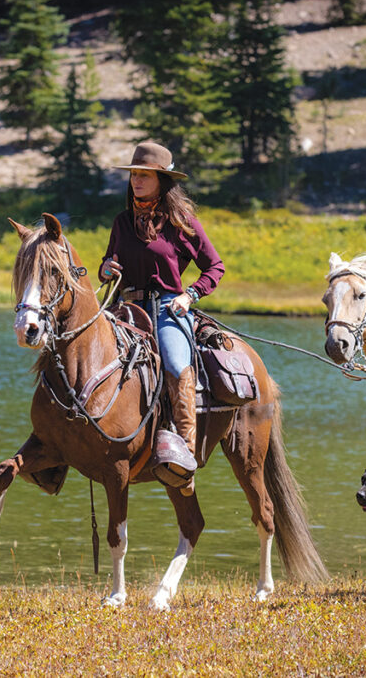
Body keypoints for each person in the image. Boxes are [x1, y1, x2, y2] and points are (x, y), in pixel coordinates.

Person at [99, 142, 225, 489]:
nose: (136, 181)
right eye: (134, 175)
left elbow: (215, 267)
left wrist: (190, 295)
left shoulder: (182, 221)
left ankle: (185, 458)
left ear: (162, 181)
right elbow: (109, 263)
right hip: (125, 308)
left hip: (168, 307)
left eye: (145, 175)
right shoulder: (122, 222)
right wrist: (106, 269)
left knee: (174, 364)